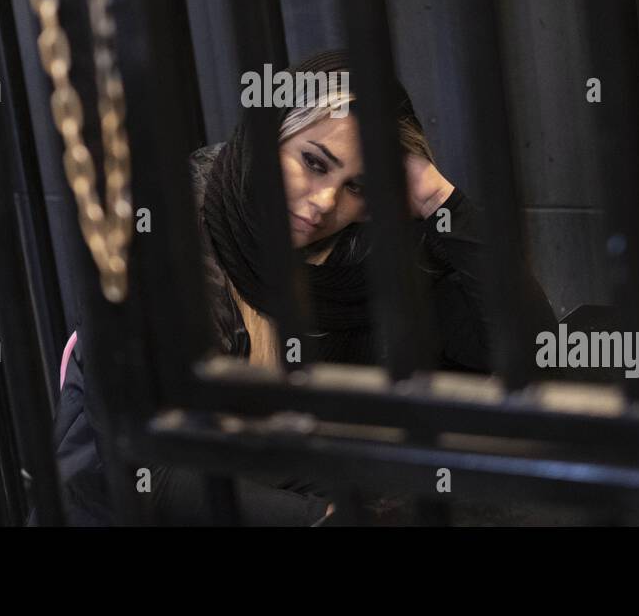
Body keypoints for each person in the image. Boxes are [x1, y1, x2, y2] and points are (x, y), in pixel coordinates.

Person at [53, 48, 556, 525]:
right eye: (314, 163)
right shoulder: (167, 236)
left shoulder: (367, 246)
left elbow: (522, 355)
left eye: (356, 186)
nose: (322, 203)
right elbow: (155, 473)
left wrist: (438, 199)